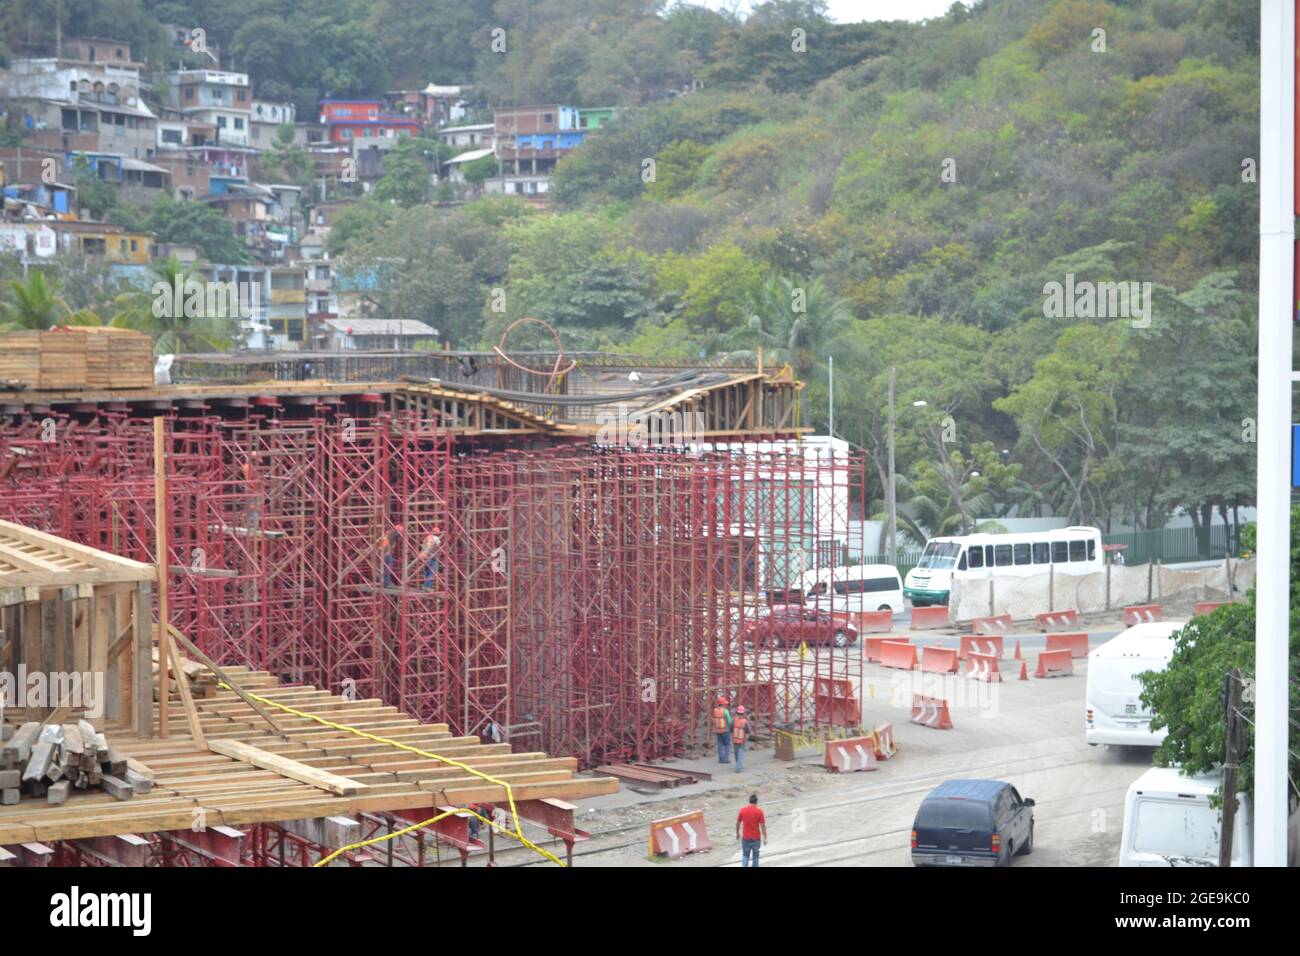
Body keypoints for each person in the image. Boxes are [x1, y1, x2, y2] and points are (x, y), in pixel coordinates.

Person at [736, 793, 767, 867]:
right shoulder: (759, 811)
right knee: (755, 857)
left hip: (746, 838)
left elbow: (738, 823)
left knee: (745, 855)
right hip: (756, 838)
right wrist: (765, 838)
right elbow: (763, 826)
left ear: (749, 801)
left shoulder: (743, 810)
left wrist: (737, 833)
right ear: (756, 802)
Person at [379, 523, 404, 588]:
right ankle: (387, 583)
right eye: (401, 530)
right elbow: (400, 535)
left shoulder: (389, 532)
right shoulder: (393, 532)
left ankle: (385, 581)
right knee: (388, 567)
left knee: (387, 566)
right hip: (386, 551)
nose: (402, 532)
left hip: (384, 551)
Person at [713, 694, 732, 764]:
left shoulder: (715, 710)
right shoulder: (725, 711)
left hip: (718, 730)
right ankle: (726, 759)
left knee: (720, 744)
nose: (726, 705)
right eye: (725, 704)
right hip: (725, 730)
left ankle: (720, 759)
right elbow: (729, 721)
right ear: (723, 704)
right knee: (727, 744)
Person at [732, 704, 751, 772]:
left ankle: (738, 766)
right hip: (742, 740)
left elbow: (730, 729)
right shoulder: (745, 722)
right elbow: (748, 730)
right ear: (743, 714)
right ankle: (739, 767)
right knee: (740, 754)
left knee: (736, 753)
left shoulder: (733, 720)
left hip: (735, 740)